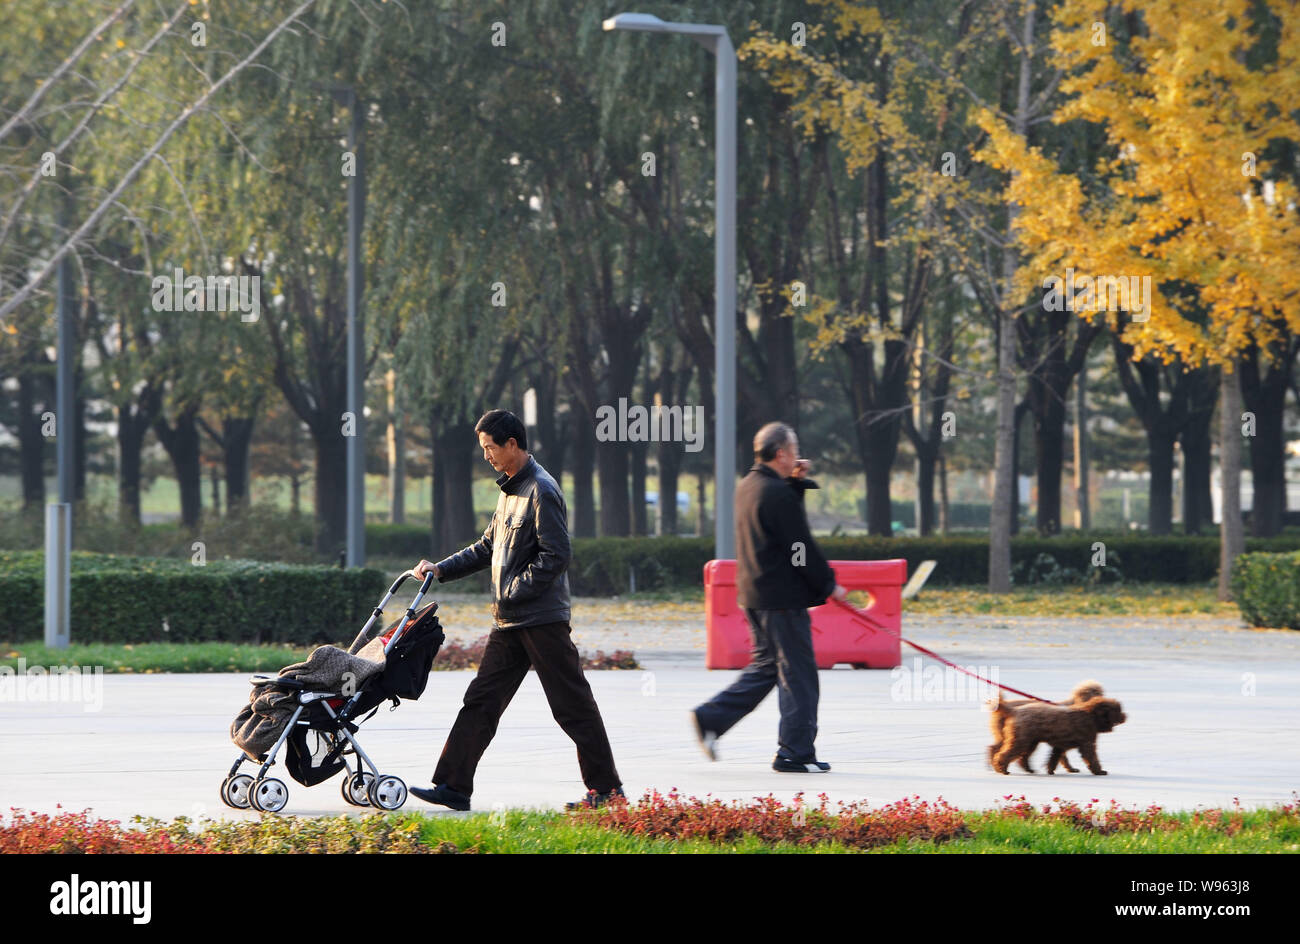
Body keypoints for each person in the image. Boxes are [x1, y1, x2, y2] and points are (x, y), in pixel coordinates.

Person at [409, 409, 624, 811]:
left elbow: (557, 554)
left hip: (542, 620)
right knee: (481, 701)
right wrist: (441, 569)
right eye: (483, 448)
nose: (486, 455)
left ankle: (608, 792)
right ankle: (454, 787)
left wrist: (513, 591)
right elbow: (487, 547)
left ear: (512, 444)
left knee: (572, 706)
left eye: (490, 447)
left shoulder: (542, 490)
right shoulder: (509, 491)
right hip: (509, 622)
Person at [691, 422, 847, 772]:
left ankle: (710, 719)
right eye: (793, 449)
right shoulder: (775, 493)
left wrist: (793, 483)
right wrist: (828, 585)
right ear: (781, 453)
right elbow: (799, 547)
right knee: (800, 675)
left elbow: (781, 529)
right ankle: (794, 752)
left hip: (754, 595)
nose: (797, 454)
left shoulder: (750, 485)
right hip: (782, 600)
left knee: (765, 669)